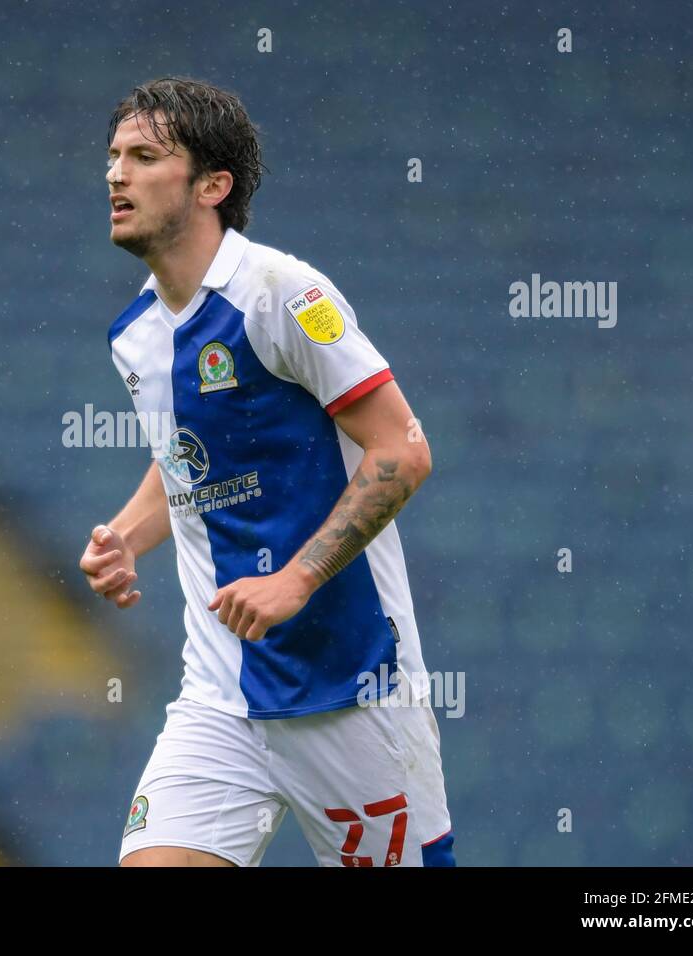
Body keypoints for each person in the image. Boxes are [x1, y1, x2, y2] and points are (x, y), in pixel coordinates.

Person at [80, 76, 455, 867]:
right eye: (113, 157)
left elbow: (401, 450)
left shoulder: (283, 294)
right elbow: (186, 452)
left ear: (212, 185)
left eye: (144, 157)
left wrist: (296, 580)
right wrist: (127, 534)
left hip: (349, 691)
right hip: (219, 697)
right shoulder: (137, 335)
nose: (115, 175)